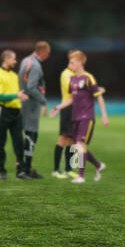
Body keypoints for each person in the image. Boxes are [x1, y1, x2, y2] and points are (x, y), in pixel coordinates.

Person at [50, 50, 108, 184]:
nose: (70, 64)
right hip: (75, 117)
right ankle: (98, 165)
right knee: (78, 146)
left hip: (87, 117)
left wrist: (104, 115)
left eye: (72, 62)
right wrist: (58, 107)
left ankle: (80, 176)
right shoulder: (73, 80)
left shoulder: (88, 78)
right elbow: (71, 99)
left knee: (80, 145)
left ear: (80, 63)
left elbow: (98, 96)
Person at [0, 49, 27, 180]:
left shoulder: (14, 75)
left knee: (19, 143)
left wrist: (21, 97)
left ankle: (20, 171)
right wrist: (17, 95)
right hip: (4, 111)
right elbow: (0, 97)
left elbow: (16, 94)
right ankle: (2, 170)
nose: (15, 61)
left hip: (16, 112)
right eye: (13, 58)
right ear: (6, 59)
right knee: (1, 142)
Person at [19, 41, 50, 179]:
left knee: (28, 134)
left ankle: (25, 167)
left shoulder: (25, 60)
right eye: (48, 54)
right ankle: (26, 169)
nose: (48, 56)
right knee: (31, 135)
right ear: (42, 52)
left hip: (23, 101)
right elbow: (31, 87)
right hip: (31, 104)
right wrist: (43, 101)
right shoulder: (36, 65)